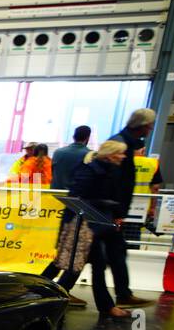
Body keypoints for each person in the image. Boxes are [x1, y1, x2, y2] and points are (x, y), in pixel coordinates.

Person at [41, 140, 126, 313]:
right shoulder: (90, 171)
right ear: (110, 154)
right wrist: (105, 203)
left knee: (77, 263)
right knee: (69, 263)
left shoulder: (108, 171)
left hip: (92, 225)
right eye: (120, 153)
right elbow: (76, 198)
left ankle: (41, 290)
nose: (123, 156)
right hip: (82, 226)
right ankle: (39, 290)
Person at [99, 108, 157, 309]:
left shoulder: (126, 143)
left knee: (113, 252)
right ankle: (52, 287)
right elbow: (114, 183)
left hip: (110, 211)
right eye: (149, 125)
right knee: (97, 256)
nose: (150, 129)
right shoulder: (121, 146)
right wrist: (116, 213)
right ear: (142, 126)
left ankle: (123, 294)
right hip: (107, 212)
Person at [51, 125, 91, 191]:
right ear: (87, 138)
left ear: (73, 137)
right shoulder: (89, 154)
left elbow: (53, 172)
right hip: (74, 196)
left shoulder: (57, 152)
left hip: (54, 193)